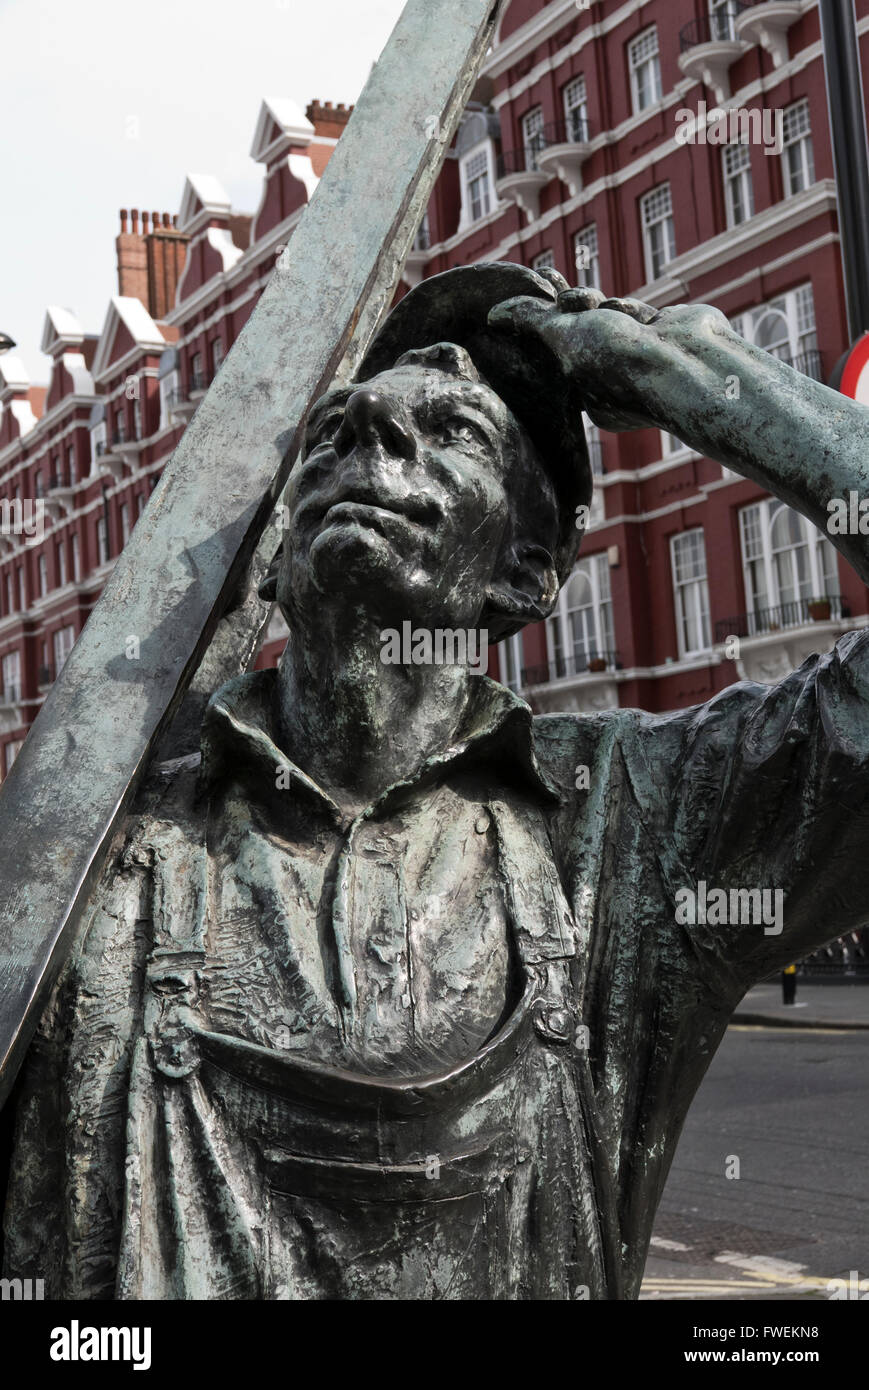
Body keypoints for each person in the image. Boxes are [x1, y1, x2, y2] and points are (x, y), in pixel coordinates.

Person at [4, 263, 869, 1301]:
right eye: (336, 432)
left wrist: (686, 368)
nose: (372, 433)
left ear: (525, 572)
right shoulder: (108, 846)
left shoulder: (625, 819)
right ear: (273, 560)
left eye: (454, 430)